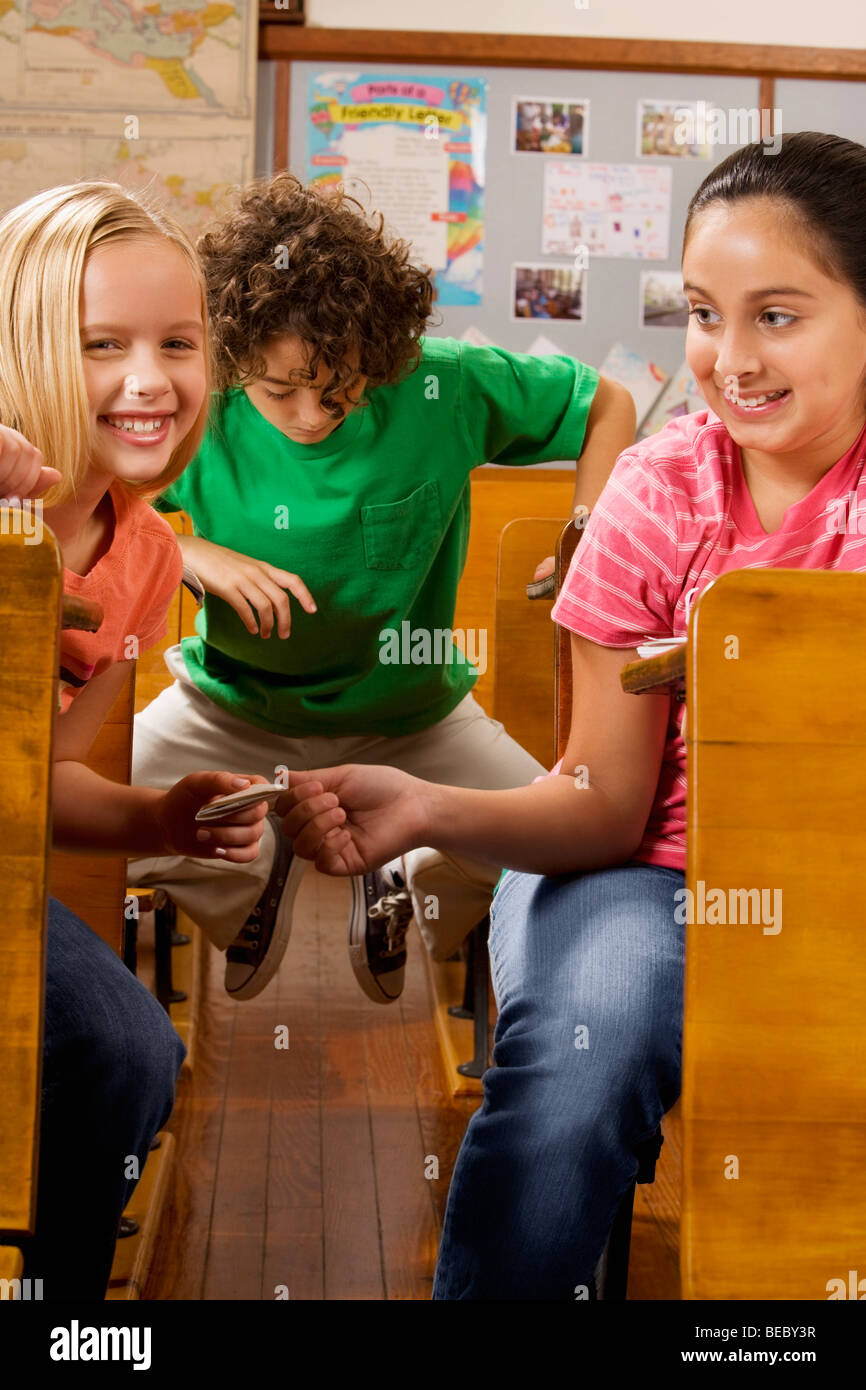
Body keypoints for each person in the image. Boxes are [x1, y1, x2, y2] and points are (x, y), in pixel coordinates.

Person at [276, 131, 866, 1297]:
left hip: (837, 887)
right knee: (582, 1060)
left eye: (777, 316)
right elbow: (599, 806)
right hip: (640, 869)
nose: (728, 357)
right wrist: (429, 804)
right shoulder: (659, 490)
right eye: (704, 312)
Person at [126, 172, 635, 1005]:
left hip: (414, 716)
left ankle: (409, 892)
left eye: (340, 388)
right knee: (43, 823)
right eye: (278, 390)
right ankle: (247, 885)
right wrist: (188, 550)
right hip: (228, 708)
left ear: (383, 354)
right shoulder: (199, 395)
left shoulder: (444, 383)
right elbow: (100, 495)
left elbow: (603, 400)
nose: (310, 415)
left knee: (583, 847)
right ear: (232, 356)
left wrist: (593, 528)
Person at [0, 182, 272, 1296]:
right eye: (101, 344)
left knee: (127, 1051)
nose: (150, 380)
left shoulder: (150, 555)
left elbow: (55, 776)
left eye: (178, 343)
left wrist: (163, 815)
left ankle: (56, 1304)